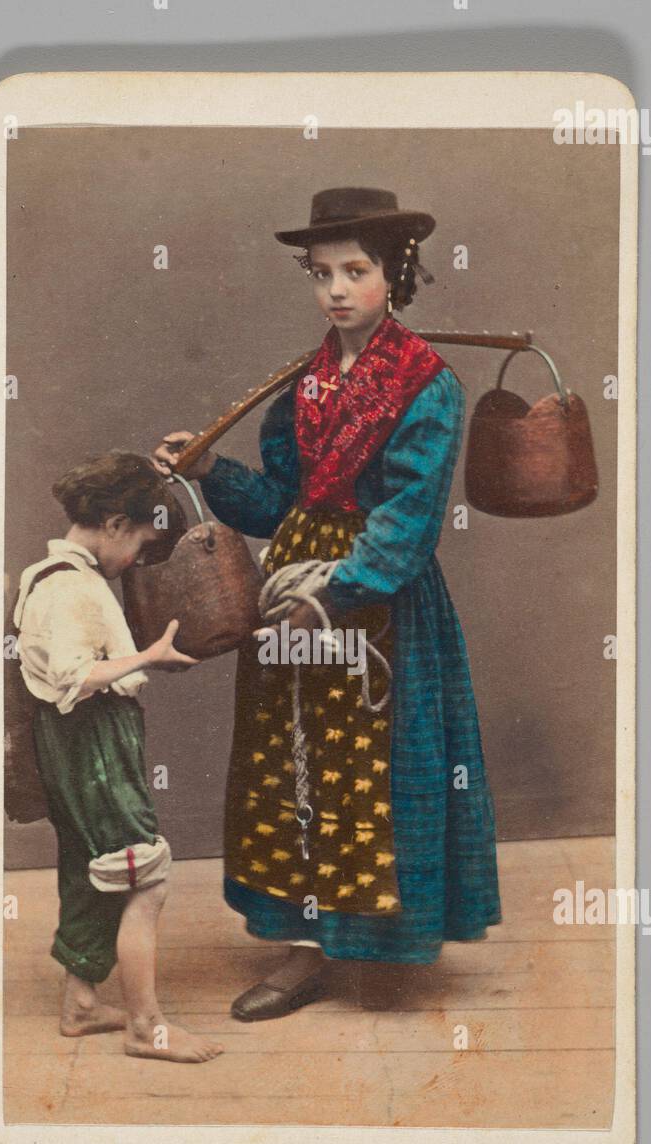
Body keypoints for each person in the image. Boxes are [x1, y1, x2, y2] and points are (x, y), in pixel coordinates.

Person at [153, 187, 502, 1021]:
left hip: (376, 602)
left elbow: (410, 521)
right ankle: (306, 950)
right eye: (322, 274)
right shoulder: (304, 385)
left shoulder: (428, 386)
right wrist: (211, 474)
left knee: (376, 770)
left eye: (356, 271)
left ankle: (380, 951)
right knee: (293, 766)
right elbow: (283, 504)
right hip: (292, 592)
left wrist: (336, 594)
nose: (337, 290)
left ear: (396, 275)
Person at [14, 451, 223, 1063]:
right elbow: (76, 678)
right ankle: (145, 1027)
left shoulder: (43, 573)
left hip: (67, 743)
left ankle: (81, 1003)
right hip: (92, 741)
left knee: (90, 870)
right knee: (144, 878)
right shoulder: (74, 589)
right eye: (139, 542)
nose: (137, 560)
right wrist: (146, 656)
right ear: (111, 524)